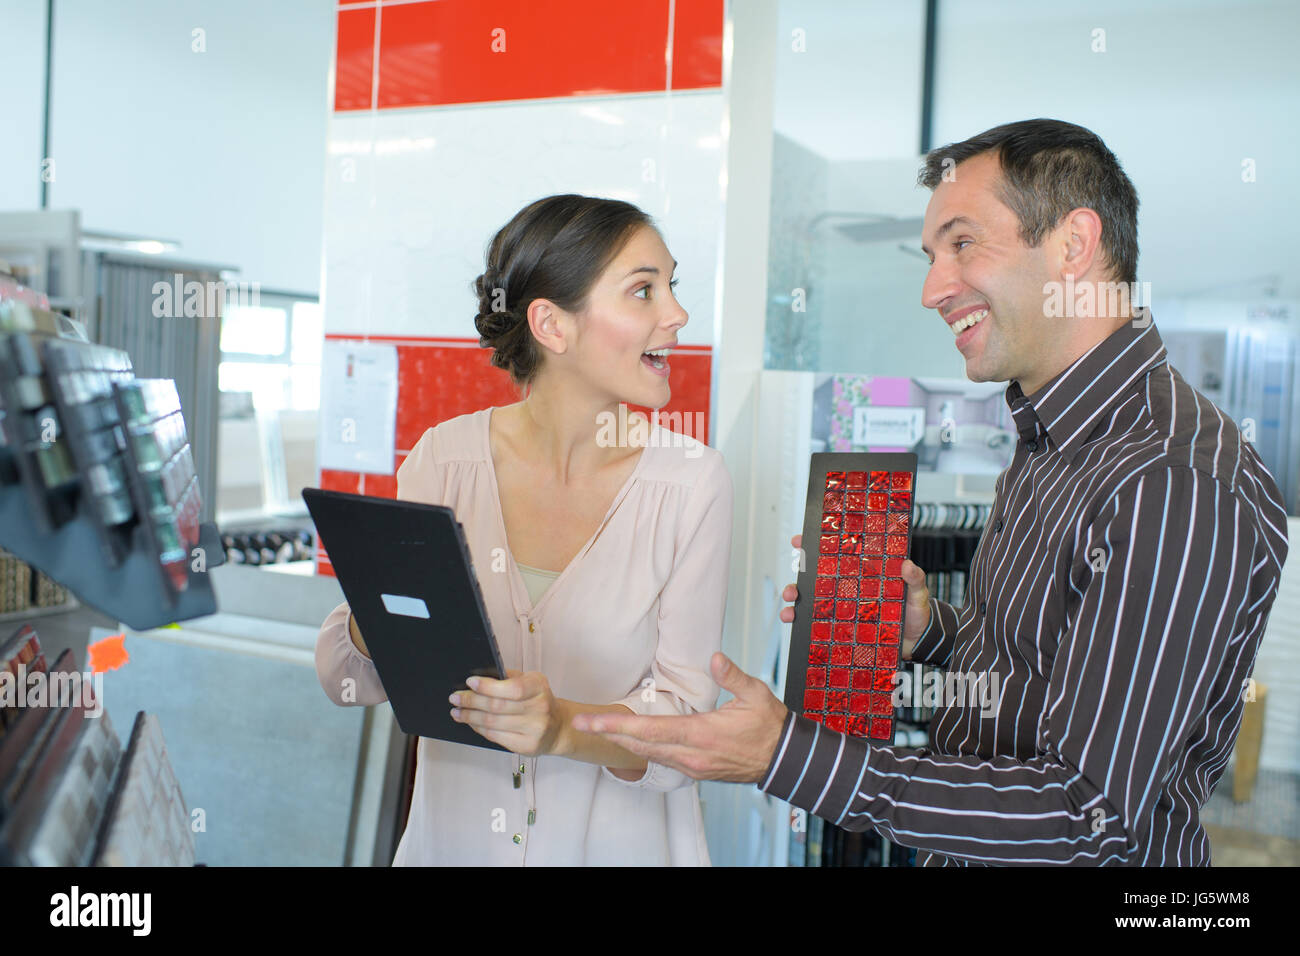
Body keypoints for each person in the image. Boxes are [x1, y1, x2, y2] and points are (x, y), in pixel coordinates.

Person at [573, 119, 1290, 866]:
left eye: (962, 243)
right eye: (931, 255)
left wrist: (789, 754)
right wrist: (930, 631)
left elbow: (1088, 817)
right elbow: (1039, 679)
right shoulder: (1054, 435)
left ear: (1073, 245)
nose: (931, 289)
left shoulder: (1170, 479)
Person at [314, 194, 732, 865]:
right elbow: (347, 678)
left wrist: (563, 728)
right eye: (644, 291)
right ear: (552, 325)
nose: (677, 314)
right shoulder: (443, 461)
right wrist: (380, 612)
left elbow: (685, 728)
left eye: (671, 286)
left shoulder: (690, 483)